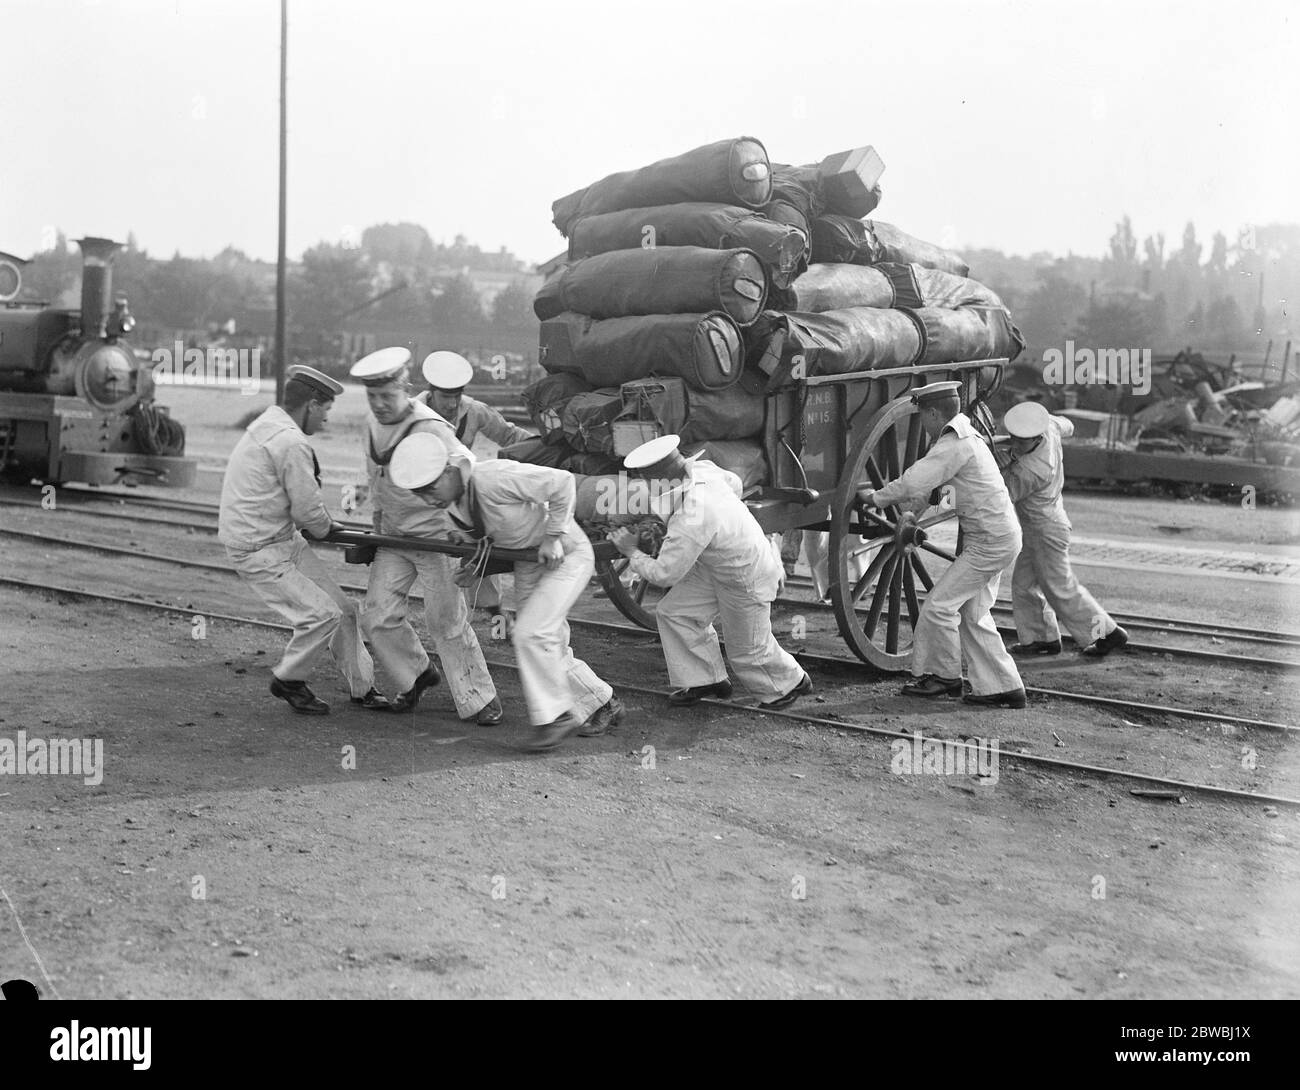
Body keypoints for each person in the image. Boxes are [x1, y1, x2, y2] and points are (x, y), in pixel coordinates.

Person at [387, 432, 623, 751]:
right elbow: (487, 542)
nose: (430, 500)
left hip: (566, 552)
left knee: (531, 633)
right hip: (530, 560)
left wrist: (554, 535)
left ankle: (556, 718)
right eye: (421, 495)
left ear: (449, 470)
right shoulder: (451, 506)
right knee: (539, 638)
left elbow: (563, 483)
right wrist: (473, 569)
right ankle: (600, 702)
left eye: (431, 489)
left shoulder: (493, 477)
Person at [218, 365, 389, 714]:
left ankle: (363, 688)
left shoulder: (268, 422)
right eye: (325, 410)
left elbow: (306, 517)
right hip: (257, 548)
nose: (326, 419)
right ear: (311, 405)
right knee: (322, 614)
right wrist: (342, 532)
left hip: (279, 538)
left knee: (343, 610)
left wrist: (332, 528)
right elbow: (312, 516)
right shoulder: (291, 442)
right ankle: (288, 680)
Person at [350, 347, 502, 724]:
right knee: (377, 617)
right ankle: (416, 676)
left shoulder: (429, 425)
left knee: (446, 623)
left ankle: (481, 699)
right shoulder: (371, 425)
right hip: (395, 538)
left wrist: (462, 528)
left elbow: (467, 465)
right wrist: (377, 529)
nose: (380, 405)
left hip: (438, 540)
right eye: (373, 397)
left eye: (387, 396)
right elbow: (376, 479)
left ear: (405, 389)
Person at [608, 435, 811, 710]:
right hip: (718, 565)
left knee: (747, 648)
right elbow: (735, 485)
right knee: (675, 612)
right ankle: (706, 679)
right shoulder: (704, 471)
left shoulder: (691, 515)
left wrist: (632, 551)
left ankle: (789, 684)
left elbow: (664, 573)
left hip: (746, 573)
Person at [858, 381, 1026, 708]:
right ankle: (1003, 687)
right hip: (999, 537)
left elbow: (915, 480)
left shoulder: (954, 444)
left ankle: (944, 677)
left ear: (934, 413)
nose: (923, 425)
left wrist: (876, 498)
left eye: (923, 418)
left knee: (938, 608)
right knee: (973, 612)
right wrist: (913, 515)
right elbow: (945, 495)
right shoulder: (969, 439)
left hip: (988, 542)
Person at [1001, 401, 1128, 657]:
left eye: (1020, 443)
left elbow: (1003, 493)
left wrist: (1002, 460)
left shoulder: (1032, 470)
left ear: (1036, 438)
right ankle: (1041, 638)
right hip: (1043, 525)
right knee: (1024, 585)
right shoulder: (1049, 425)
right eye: (1012, 438)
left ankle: (1108, 633)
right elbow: (1067, 424)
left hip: (1044, 530)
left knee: (1061, 589)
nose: (1015, 445)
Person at [416, 350, 534, 615]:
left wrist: (544, 449)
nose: (451, 404)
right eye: (445, 397)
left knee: (485, 533)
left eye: (456, 397)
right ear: (431, 392)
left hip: (460, 496)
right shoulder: (413, 414)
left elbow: (509, 434)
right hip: (423, 499)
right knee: (434, 566)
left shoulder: (474, 411)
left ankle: (494, 613)